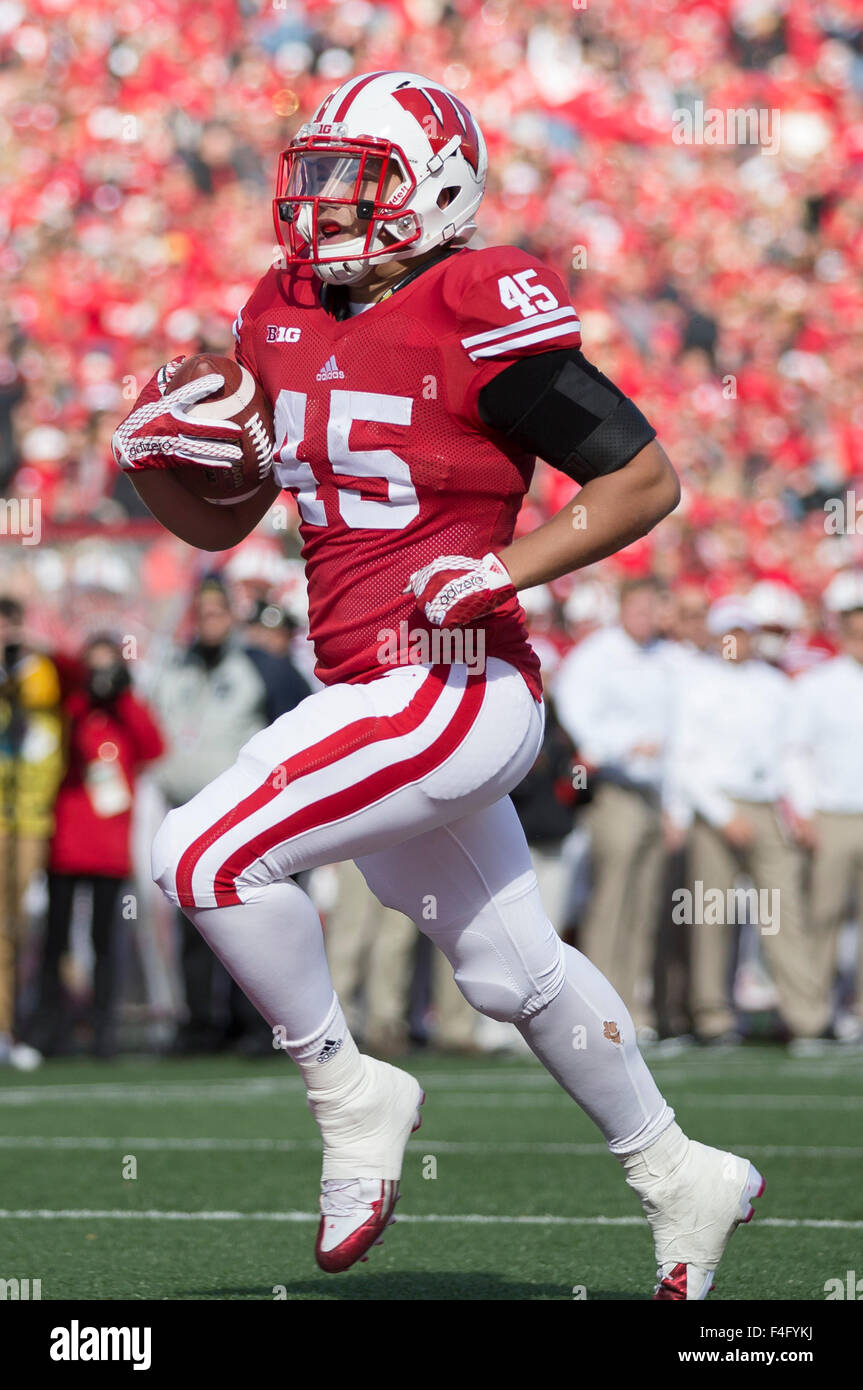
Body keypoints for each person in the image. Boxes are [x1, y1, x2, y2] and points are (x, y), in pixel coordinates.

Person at [112, 71, 763, 1300]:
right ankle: (680, 1170)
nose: (321, 208)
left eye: (355, 181)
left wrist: (499, 570)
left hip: (453, 684)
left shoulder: (475, 297)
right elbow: (227, 519)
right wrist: (152, 463)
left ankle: (351, 1088)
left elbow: (639, 482)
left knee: (203, 853)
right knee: (512, 973)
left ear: (438, 189)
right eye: (312, 177)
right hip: (368, 683)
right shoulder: (283, 305)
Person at [29, 635, 164, 1057]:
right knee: (56, 942)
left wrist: (123, 695)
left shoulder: (126, 712)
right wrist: (85, 678)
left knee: (107, 942)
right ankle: (49, 1030)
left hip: (109, 850)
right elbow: (57, 661)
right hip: (67, 844)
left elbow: (154, 747)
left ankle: (104, 1032)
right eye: (96, 667)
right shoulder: (72, 707)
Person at [553, 577, 676, 1035]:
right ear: (623, 608)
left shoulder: (661, 657)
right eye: (640, 608)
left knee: (642, 908)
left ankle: (632, 1009)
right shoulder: (599, 655)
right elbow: (576, 712)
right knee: (611, 904)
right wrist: (621, 748)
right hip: (614, 791)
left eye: (653, 609)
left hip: (649, 794)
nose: (647, 618)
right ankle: (602, 1011)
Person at [785, 575, 863, 1046]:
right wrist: (807, 811)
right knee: (823, 918)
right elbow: (796, 751)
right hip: (833, 814)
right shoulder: (817, 685)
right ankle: (815, 1014)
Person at [0, 596, 63, 1069]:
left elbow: (44, 701)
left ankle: (11, 1028)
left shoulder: (37, 671)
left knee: (16, 927)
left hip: (28, 816)